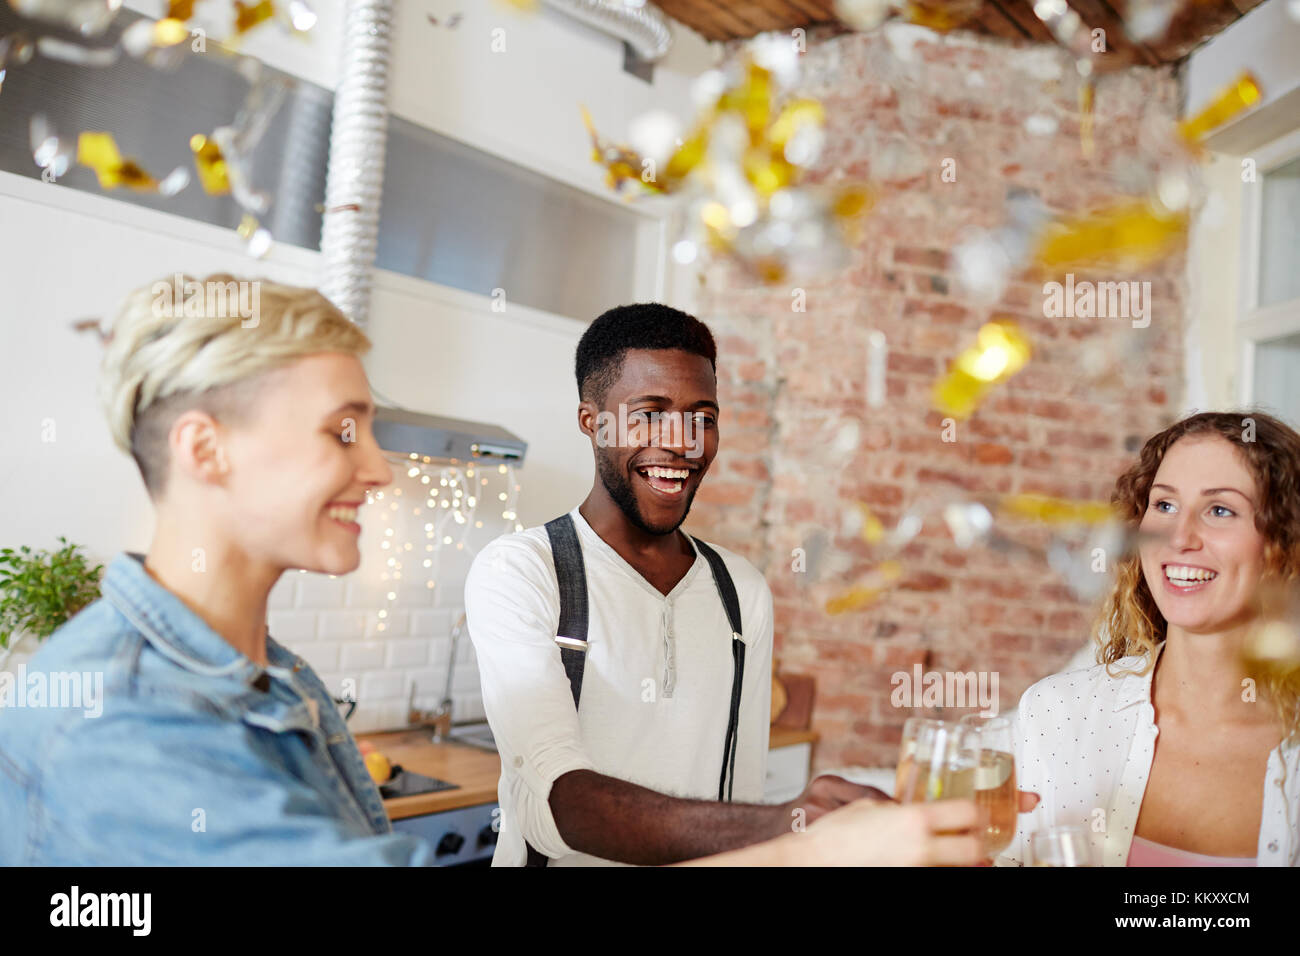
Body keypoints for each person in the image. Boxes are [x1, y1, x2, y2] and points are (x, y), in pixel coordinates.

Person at [0, 275, 982, 867]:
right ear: (206, 449)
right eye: (343, 429)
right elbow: (558, 795)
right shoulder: (121, 714)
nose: (378, 464)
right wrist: (807, 843)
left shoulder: (282, 680)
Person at [465, 303, 893, 866]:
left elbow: (740, 791)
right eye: (650, 413)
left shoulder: (742, 592)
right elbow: (555, 805)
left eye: (703, 417)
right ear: (591, 420)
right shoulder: (523, 571)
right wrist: (790, 822)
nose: (683, 443)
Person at [1007, 411, 1300, 866]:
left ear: (1284, 542)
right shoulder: (1055, 714)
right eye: (1163, 506)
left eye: (1220, 510)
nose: (1179, 537)